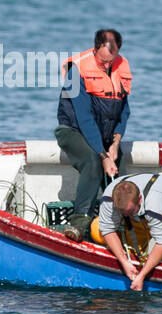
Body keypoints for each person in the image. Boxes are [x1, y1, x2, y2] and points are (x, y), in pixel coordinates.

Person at [54, 29, 131, 241]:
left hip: (106, 137)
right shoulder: (77, 70)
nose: (107, 66)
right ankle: (79, 222)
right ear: (95, 48)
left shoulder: (121, 67)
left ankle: (122, 226)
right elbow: (84, 117)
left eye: (111, 61)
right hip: (73, 130)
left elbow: (124, 111)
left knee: (122, 178)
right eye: (102, 61)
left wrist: (115, 144)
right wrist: (103, 156)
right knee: (92, 162)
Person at [91, 173, 162, 291]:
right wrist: (124, 262)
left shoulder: (155, 204)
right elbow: (107, 229)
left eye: (130, 211)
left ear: (139, 199)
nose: (125, 215)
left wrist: (142, 275)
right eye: (121, 212)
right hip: (145, 211)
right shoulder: (109, 198)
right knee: (131, 254)